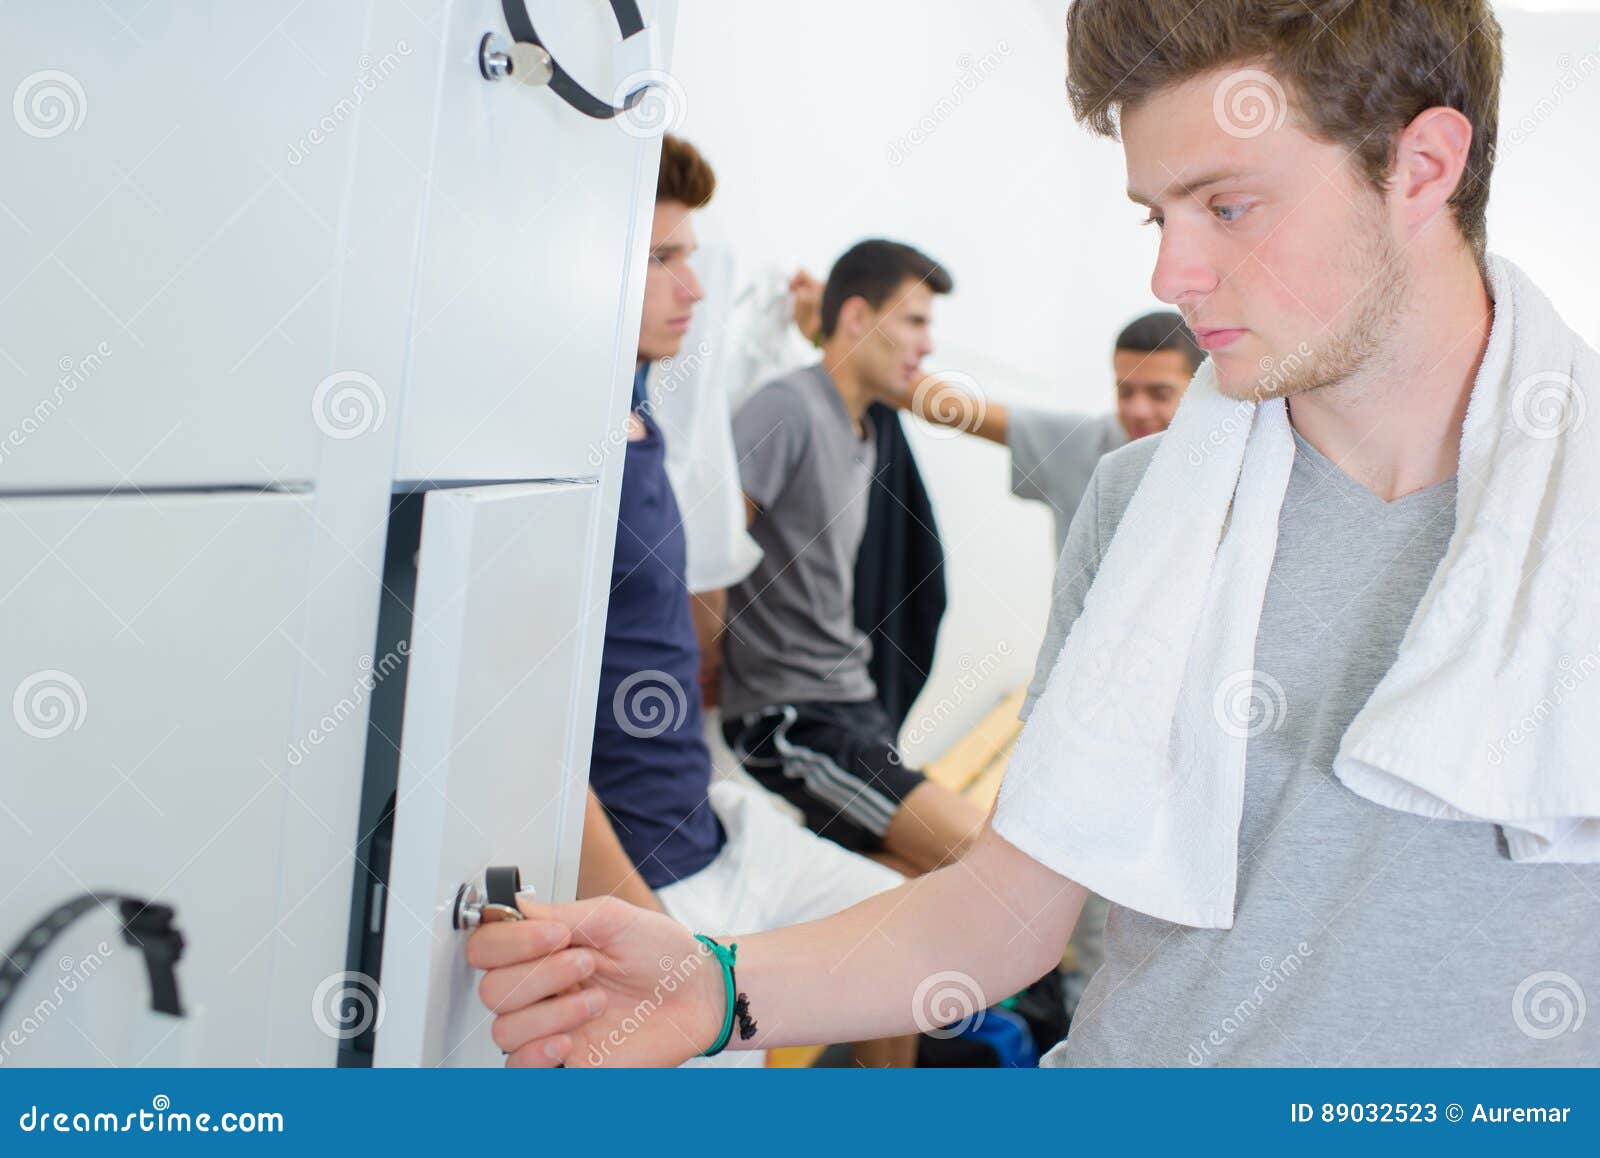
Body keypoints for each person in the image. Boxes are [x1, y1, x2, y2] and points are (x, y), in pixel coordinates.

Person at [471, 0, 1600, 1067]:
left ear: (1422, 165)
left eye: (1229, 205)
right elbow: (1006, 913)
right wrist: (714, 987)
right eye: (1158, 215)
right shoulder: (1143, 505)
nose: (1171, 272)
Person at [577, 133, 913, 1067]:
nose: (694, 288)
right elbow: (511, 736)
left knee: (916, 939)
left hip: (715, 822)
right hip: (649, 878)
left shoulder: (639, 423)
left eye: (691, 256)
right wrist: (656, 941)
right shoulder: (554, 468)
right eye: (663, 259)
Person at [713, 240, 988, 876]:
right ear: (860, 317)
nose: (927, 345)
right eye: (915, 321)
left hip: (854, 704)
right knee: (981, 860)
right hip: (792, 718)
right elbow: (709, 549)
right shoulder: (788, 407)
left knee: (929, 889)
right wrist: (705, 656)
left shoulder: (864, 430)